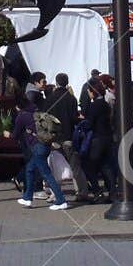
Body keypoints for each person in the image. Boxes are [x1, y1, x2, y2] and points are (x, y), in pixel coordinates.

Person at [11, 91, 68, 210]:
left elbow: (15, 135)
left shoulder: (22, 116)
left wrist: (8, 134)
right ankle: (27, 198)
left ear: (18, 106)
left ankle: (61, 200)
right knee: (30, 170)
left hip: (37, 147)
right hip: (45, 144)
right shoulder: (37, 111)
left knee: (46, 174)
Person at [44, 72, 90, 201]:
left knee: (55, 166)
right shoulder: (71, 99)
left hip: (54, 138)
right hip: (68, 136)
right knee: (75, 166)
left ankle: (55, 193)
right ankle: (81, 191)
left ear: (57, 83)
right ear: (67, 83)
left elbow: (45, 118)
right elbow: (74, 117)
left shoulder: (50, 99)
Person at [81, 76, 116, 200]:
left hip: (98, 138)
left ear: (92, 92)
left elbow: (90, 123)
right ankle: (112, 192)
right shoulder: (105, 104)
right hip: (107, 137)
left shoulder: (94, 105)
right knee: (105, 165)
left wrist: (83, 123)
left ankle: (97, 191)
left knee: (88, 165)